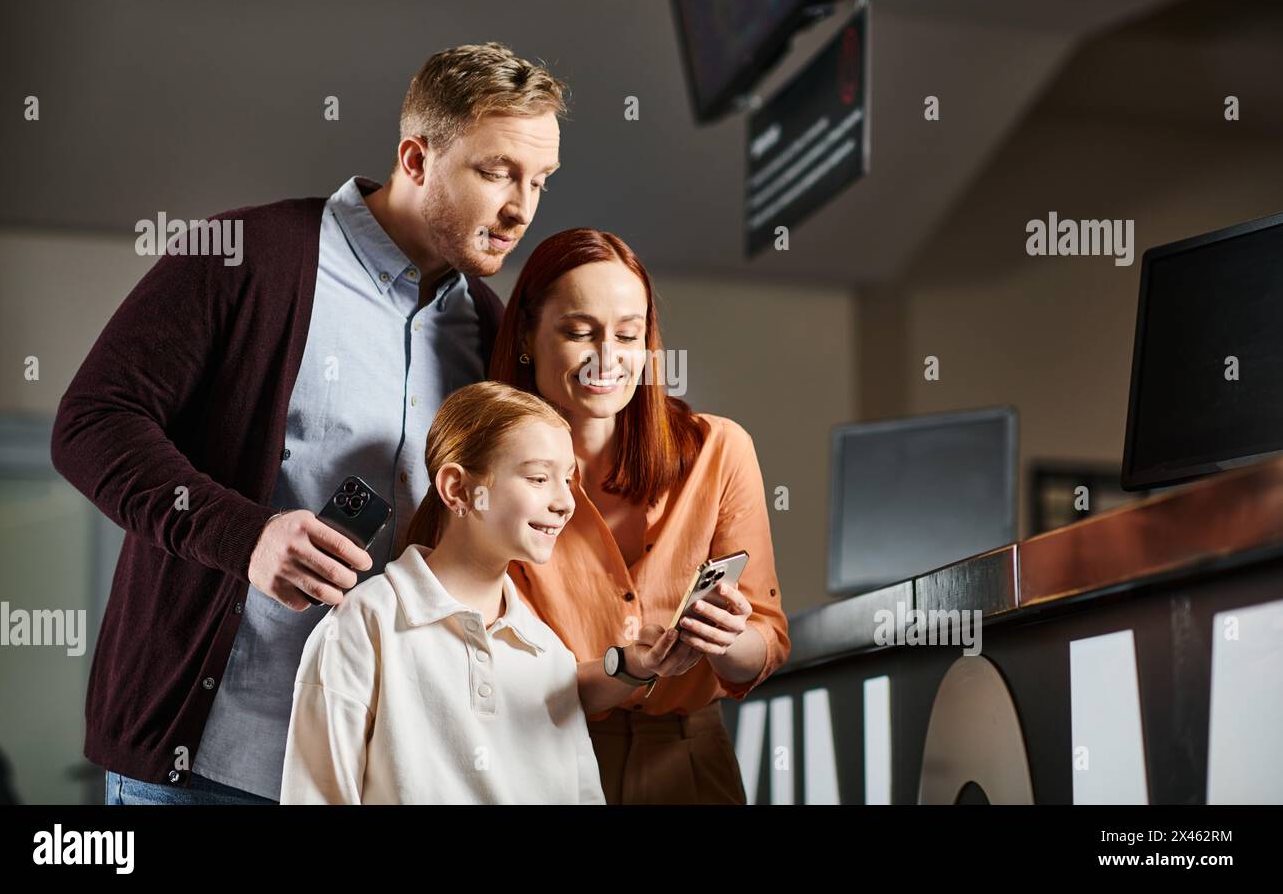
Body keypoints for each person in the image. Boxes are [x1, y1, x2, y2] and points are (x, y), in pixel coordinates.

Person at [50, 42, 567, 804]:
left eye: (540, 181)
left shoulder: (486, 333)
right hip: (205, 765)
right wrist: (248, 536)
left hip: (374, 770)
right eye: (495, 172)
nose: (520, 206)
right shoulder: (247, 256)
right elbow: (92, 423)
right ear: (416, 159)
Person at [484, 228, 791, 804]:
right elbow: (498, 680)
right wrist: (628, 667)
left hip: (692, 764)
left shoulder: (720, 450)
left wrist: (727, 641)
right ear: (526, 334)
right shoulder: (489, 474)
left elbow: (765, 645)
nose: (608, 358)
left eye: (628, 334)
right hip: (545, 764)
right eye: (579, 332)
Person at [281, 382, 604, 804]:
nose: (565, 502)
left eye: (567, 479)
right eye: (540, 478)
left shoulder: (550, 654)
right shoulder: (365, 623)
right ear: (458, 489)